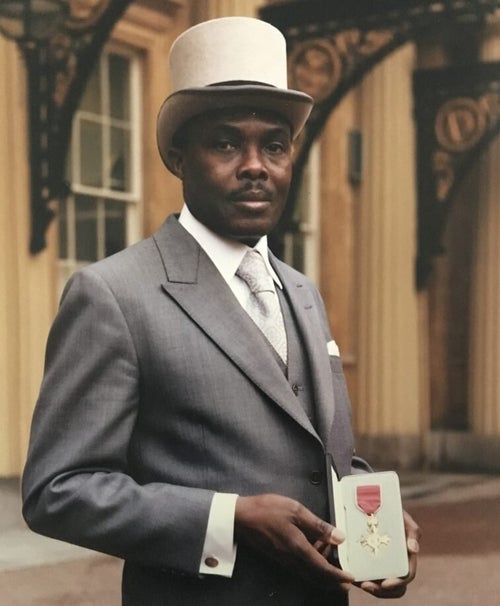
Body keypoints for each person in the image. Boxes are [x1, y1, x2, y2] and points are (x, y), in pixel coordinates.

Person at [22, 16, 420, 606]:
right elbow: (57, 491)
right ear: (179, 158)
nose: (256, 165)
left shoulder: (302, 291)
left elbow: (323, 459)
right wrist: (227, 520)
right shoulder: (113, 295)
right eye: (227, 143)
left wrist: (375, 522)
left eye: (275, 146)